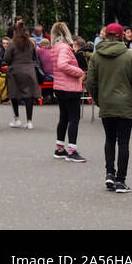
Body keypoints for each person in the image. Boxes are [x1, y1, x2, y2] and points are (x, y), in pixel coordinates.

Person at [86, 23, 132, 193]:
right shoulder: (131, 55)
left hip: (106, 103)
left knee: (109, 139)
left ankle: (109, 174)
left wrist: (99, 99)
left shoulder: (96, 56)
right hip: (126, 104)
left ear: (106, 35)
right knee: (123, 142)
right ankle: (121, 180)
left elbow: (90, 82)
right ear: (121, 36)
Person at [47, 22, 87, 162]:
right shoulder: (64, 47)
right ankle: (72, 151)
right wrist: (80, 72)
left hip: (59, 87)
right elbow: (62, 64)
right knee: (74, 119)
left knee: (63, 118)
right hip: (70, 87)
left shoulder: (55, 48)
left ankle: (59, 148)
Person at [3, 21, 40, 129]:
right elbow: (34, 57)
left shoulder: (12, 44)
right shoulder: (30, 43)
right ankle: (29, 121)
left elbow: (6, 58)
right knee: (29, 96)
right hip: (29, 71)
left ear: (15, 32)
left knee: (13, 95)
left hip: (15, 71)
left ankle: (17, 119)